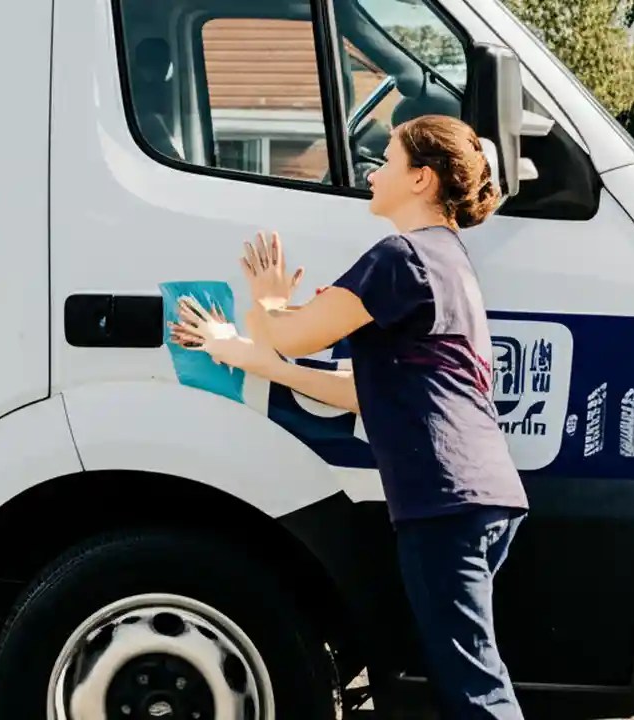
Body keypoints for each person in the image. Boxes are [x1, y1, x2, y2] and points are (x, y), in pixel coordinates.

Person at [169, 114, 530, 719]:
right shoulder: (448, 260)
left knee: (474, 688)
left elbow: (294, 335)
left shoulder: (400, 258)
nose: (372, 171)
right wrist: (240, 351)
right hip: (482, 498)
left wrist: (268, 299)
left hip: (442, 500)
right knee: (464, 671)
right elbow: (364, 391)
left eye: (386, 159)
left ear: (421, 178)